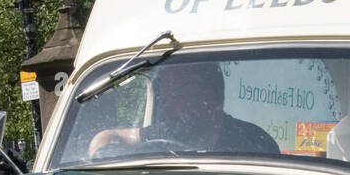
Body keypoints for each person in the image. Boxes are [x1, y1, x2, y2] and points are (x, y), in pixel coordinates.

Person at [89, 60, 280, 157]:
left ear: (211, 97)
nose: (168, 106)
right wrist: (103, 151)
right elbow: (108, 136)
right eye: (166, 97)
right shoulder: (166, 132)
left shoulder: (253, 142)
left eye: (178, 96)